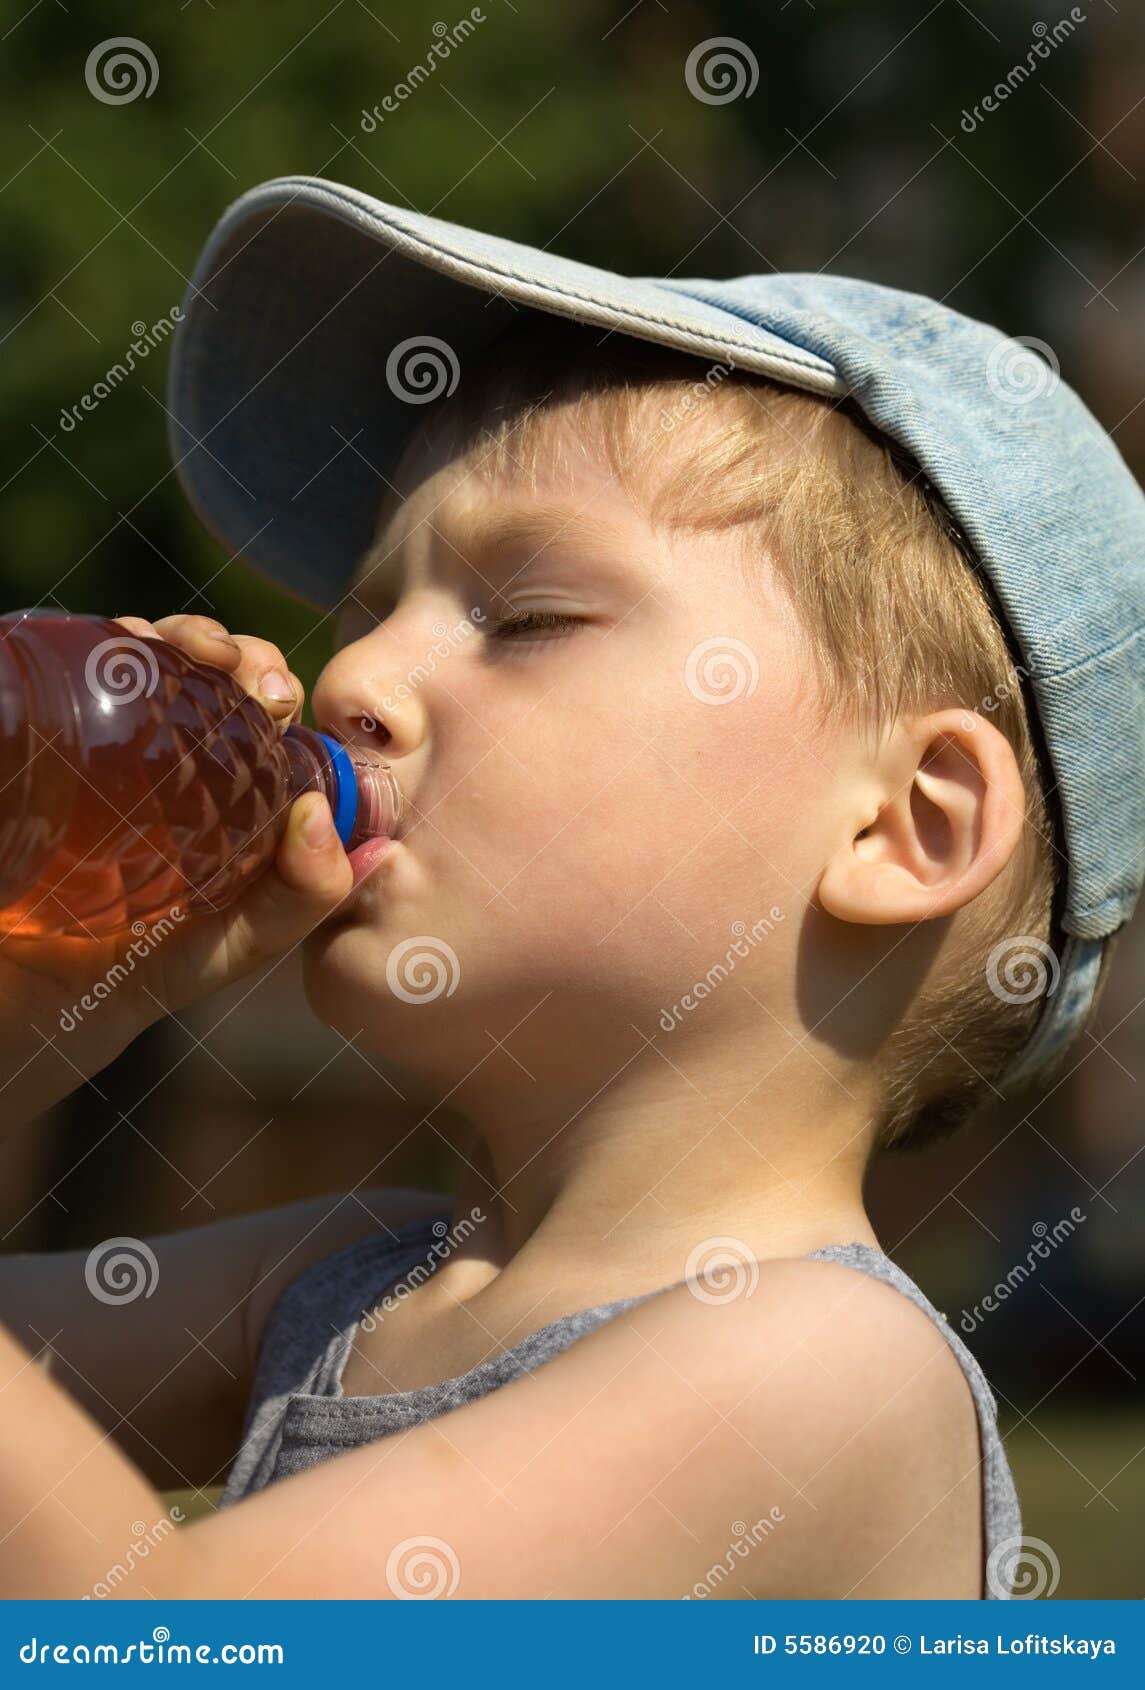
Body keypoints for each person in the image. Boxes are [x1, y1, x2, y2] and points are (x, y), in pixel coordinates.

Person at [0, 177, 1141, 1601]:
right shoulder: (345, 1279)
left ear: (907, 824)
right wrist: (41, 1012)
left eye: (522, 616)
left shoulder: (818, 1367)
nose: (348, 678)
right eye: (363, 614)